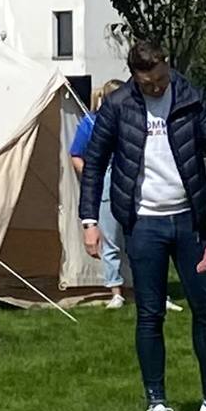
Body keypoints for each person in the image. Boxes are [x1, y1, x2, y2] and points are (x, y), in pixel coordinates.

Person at [79, 37, 206, 411]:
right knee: (150, 315)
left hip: (189, 220)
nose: (157, 88)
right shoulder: (117, 107)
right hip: (143, 223)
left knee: (205, 308)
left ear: (167, 67)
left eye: (162, 79)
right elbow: (94, 164)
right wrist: (89, 221)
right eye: (149, 83)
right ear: (135, 77)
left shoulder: (189, 96)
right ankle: (158, 404)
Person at [70, 79, 129, 310]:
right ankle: (116, 291)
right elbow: (76, 154)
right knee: (111, 240)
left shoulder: (131, 122)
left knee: (141, 239)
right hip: (106, 180)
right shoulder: (91, 123)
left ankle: (150, 290)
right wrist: (94, 176)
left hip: (128, 179)